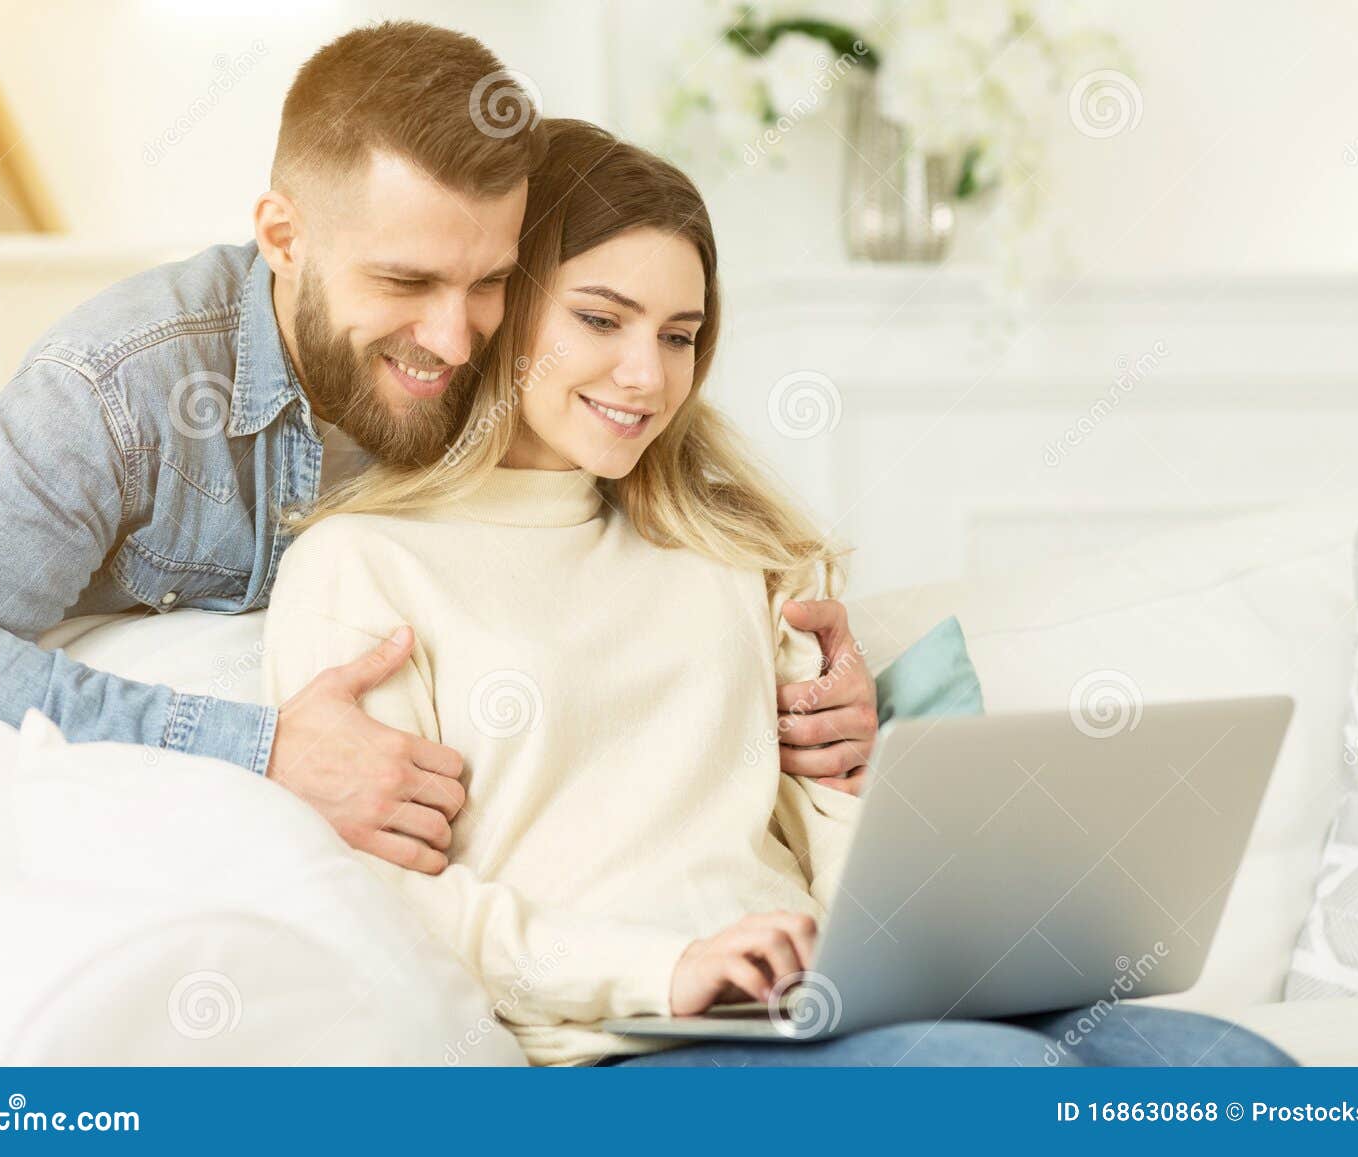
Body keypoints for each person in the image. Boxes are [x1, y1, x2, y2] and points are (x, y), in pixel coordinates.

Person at [260, 118, 1295, 1068]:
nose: (644, 375)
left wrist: (910, 926)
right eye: (600, 318)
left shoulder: (734, 551)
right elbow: (381, 900)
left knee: (1228, 1064)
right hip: (616, 1046)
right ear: (500, 308)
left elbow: (829, 834)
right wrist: (666, 969)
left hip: (816, 1008)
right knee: (996, 1078)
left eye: (677, 334)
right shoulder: (365, 564)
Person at [0, 21, 879, 874]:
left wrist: (811, 685)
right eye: (404, 283)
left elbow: (658, 460)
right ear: (283, 236)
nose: (451, 336)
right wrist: (258, 748)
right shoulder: (124, 382)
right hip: (118, 820)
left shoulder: (497, 345)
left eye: (488, 281)